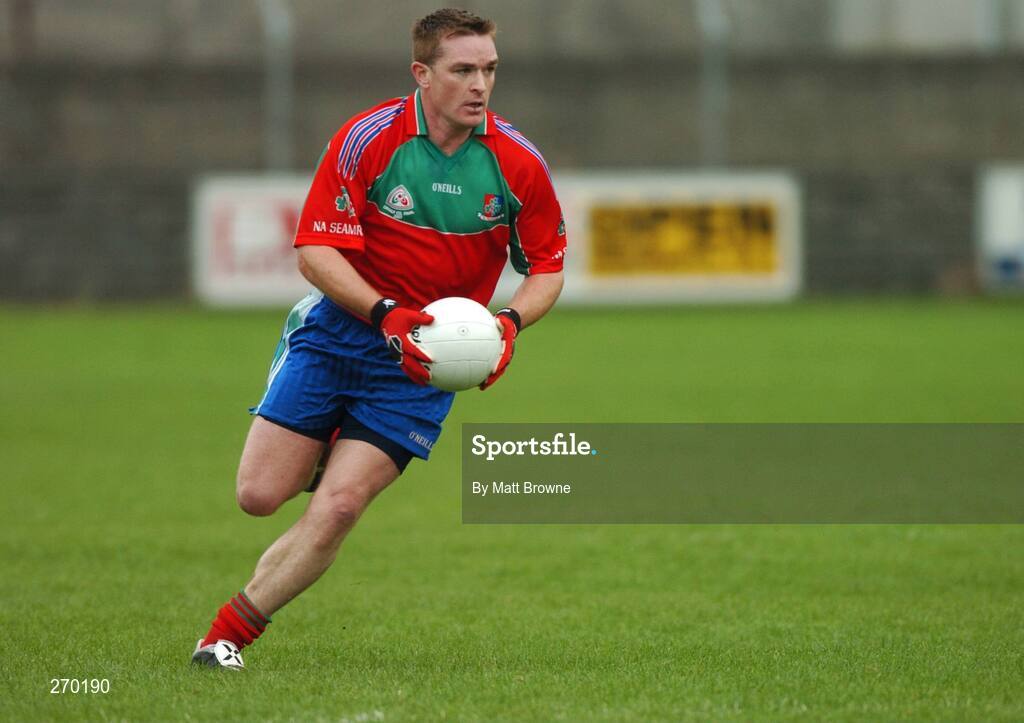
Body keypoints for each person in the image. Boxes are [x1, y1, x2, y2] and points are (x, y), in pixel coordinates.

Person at [191, 8, 566, 669]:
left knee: (339, 505)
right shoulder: (369, 138)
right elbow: (314, 251)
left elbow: (549, 267)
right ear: (422, 75)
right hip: (341, 333)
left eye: (489, 70)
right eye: (463, 70)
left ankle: (224, 637)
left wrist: (507, 325)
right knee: (258, 496)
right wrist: (385, 312)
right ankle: (332, 433)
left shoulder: (518, 163)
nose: (480, 84)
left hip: (425, 361)